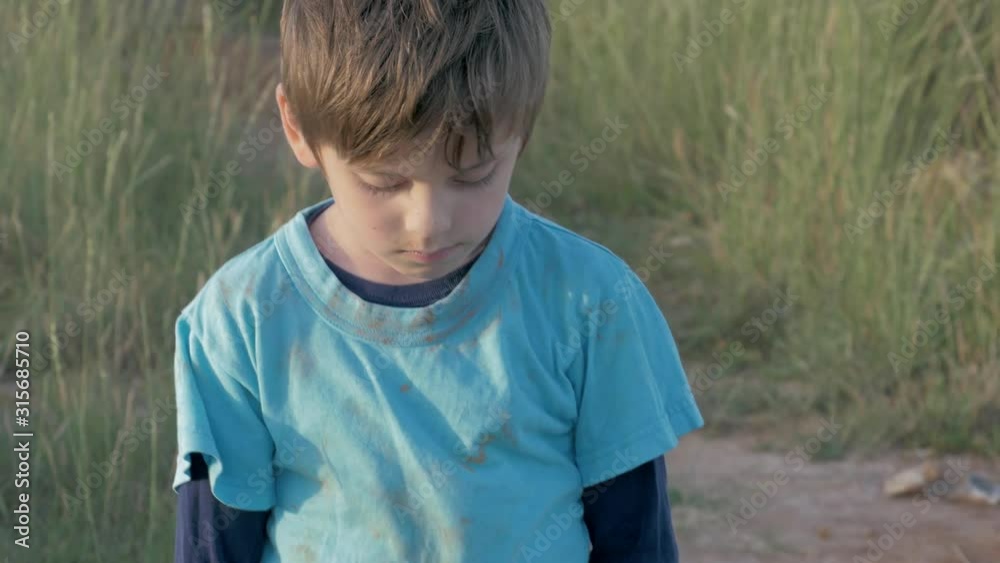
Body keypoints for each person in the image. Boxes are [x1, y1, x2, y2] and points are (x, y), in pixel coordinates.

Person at [171, 1, 704, 561]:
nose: (429, 223)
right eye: (383, 181)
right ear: (297, 127)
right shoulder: (244, 319)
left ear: (523, 127)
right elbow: (216, 547)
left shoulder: (590, 303)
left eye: (472, 175)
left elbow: (636, 540)